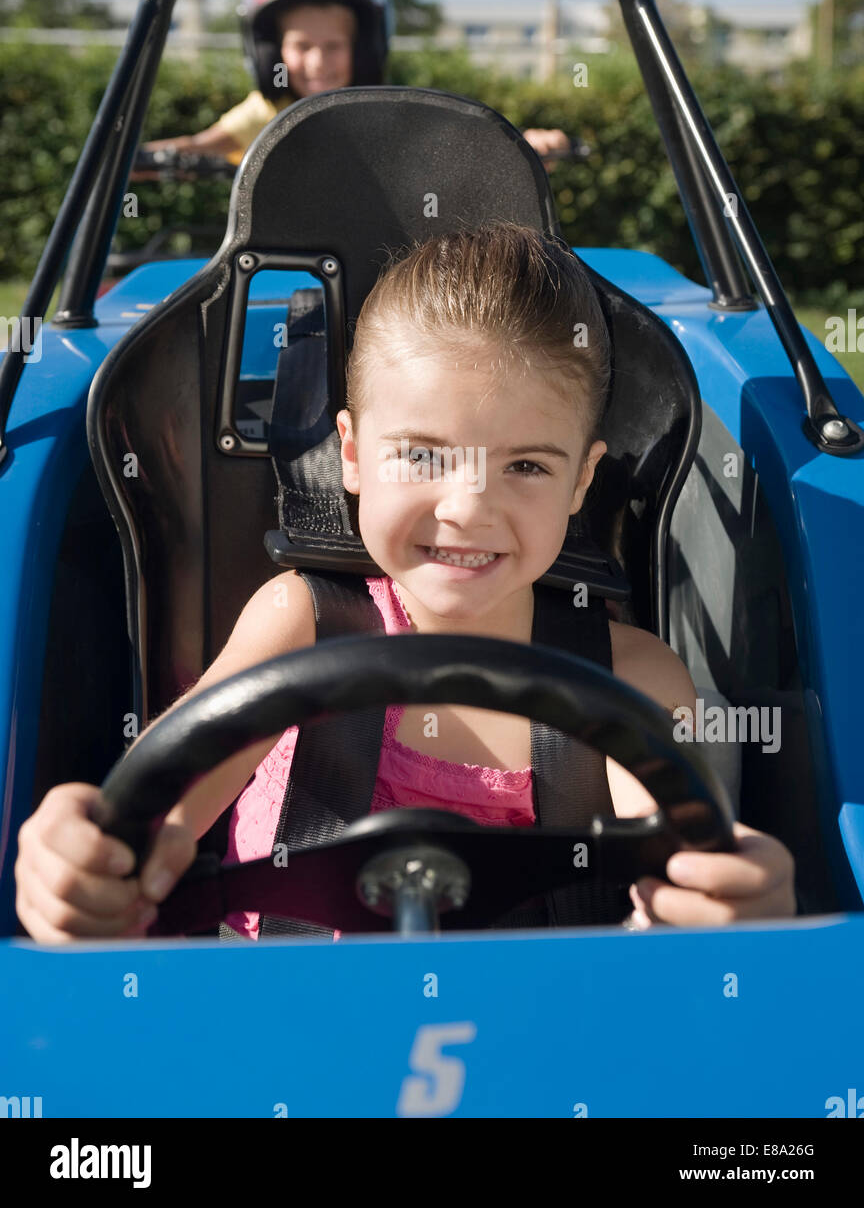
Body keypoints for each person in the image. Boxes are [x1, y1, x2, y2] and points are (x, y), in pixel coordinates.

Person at [15, 222, 796, 943]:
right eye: (422, 455)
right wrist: (85, 859)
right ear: (350, 453)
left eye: (526, 466)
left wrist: (727, 893)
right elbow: (158, 817)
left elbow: (685, 874)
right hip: (282, 1029)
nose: (467, 508)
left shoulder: (637, 678)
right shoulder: (299, 621)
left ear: (582, 481)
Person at [140, 0, 571, 168]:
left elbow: (456, 147)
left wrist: (522, 146)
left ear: (361, 50)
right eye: (302, 46)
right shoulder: (266, 113)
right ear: (273, 52)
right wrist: (136, 158)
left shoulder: (384, 110)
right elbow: (200, 146)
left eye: (333, 47)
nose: (317, 61)